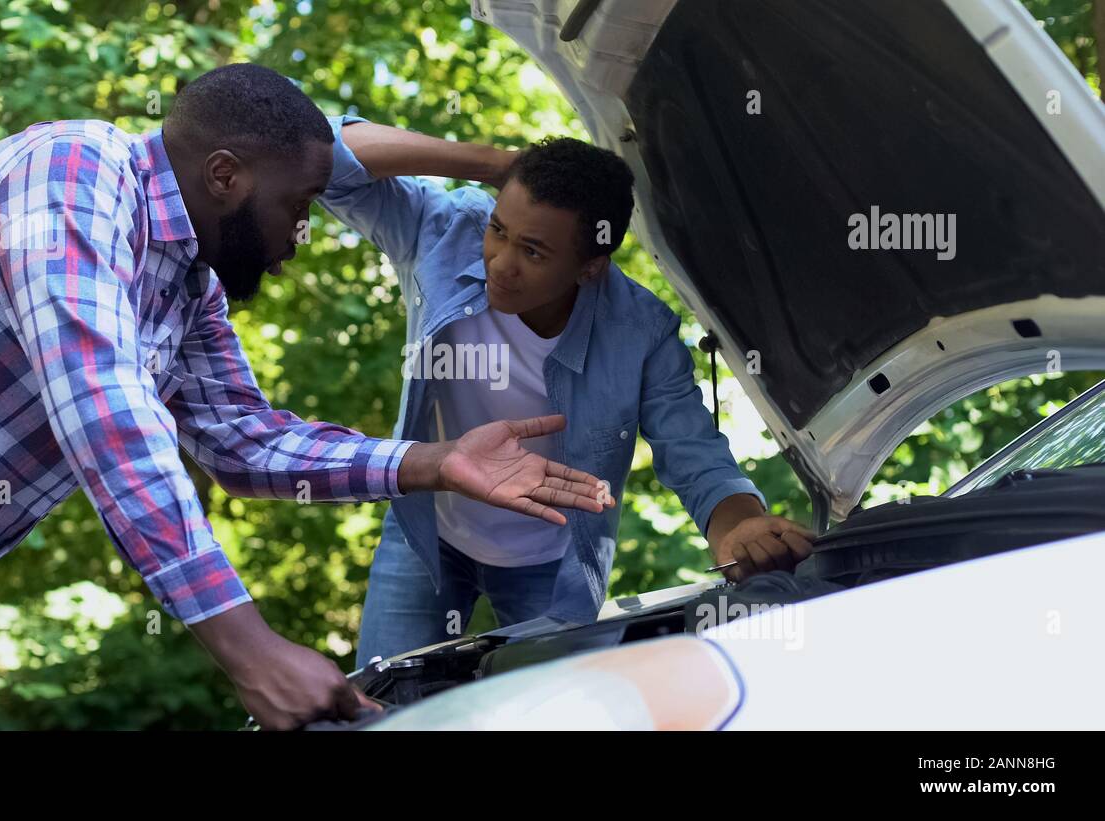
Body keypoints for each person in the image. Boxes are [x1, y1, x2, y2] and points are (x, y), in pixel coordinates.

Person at [0, 64, 609, 731]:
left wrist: (433, 460)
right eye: (296, 208)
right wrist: (248, 646)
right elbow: (101, 403)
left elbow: (245, 442)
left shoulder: (191, 291)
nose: (301, 234)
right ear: (226, 176)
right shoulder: (73, 173)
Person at [316, 116, 815, 667]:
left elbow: (695, 455)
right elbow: (325, 155)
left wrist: (739, 525)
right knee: (384, 710)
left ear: (590, 266)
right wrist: (499, 165)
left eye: (533, 251)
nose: (500, 264)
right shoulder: (448, 231)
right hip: (426, 534)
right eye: (499, 230)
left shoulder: (641, 332)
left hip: (551, 564)